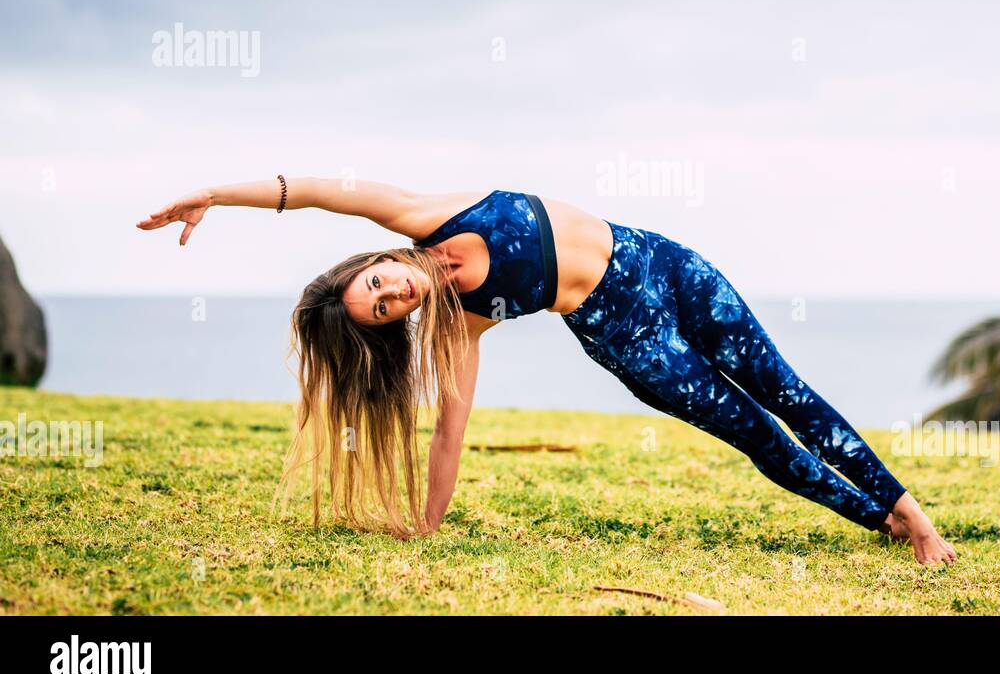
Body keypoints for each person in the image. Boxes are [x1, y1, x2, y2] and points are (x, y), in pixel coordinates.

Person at [137, 177, 957, 565]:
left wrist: (218, 192)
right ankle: (879, 520)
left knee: (787, 391)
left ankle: (911, 512)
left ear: (381, 260)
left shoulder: (428, 217)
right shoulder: (461, 326)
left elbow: (317, 191)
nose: (393, 294)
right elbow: (450, 434)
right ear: (396, 325)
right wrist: (427, 522)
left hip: (663, 262)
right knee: (755, 433)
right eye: (385, 309)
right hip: (627, 338)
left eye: (378, 283)